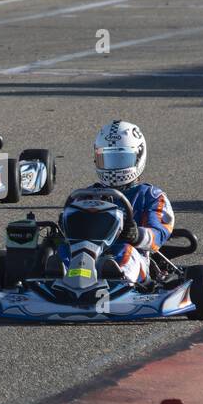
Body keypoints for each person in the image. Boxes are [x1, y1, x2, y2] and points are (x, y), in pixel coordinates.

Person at [59, 120, 175, 284]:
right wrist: (65, 224)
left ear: (138, 156)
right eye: (106, 159)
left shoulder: (150, 196)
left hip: (129, 254)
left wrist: (137, 235)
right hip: (85, 255)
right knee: (62, 251)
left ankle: (117, 281)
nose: (113, 167)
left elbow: (159, 234)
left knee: (125, 252)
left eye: (121, 158)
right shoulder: (85, 195)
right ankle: (56, 278)